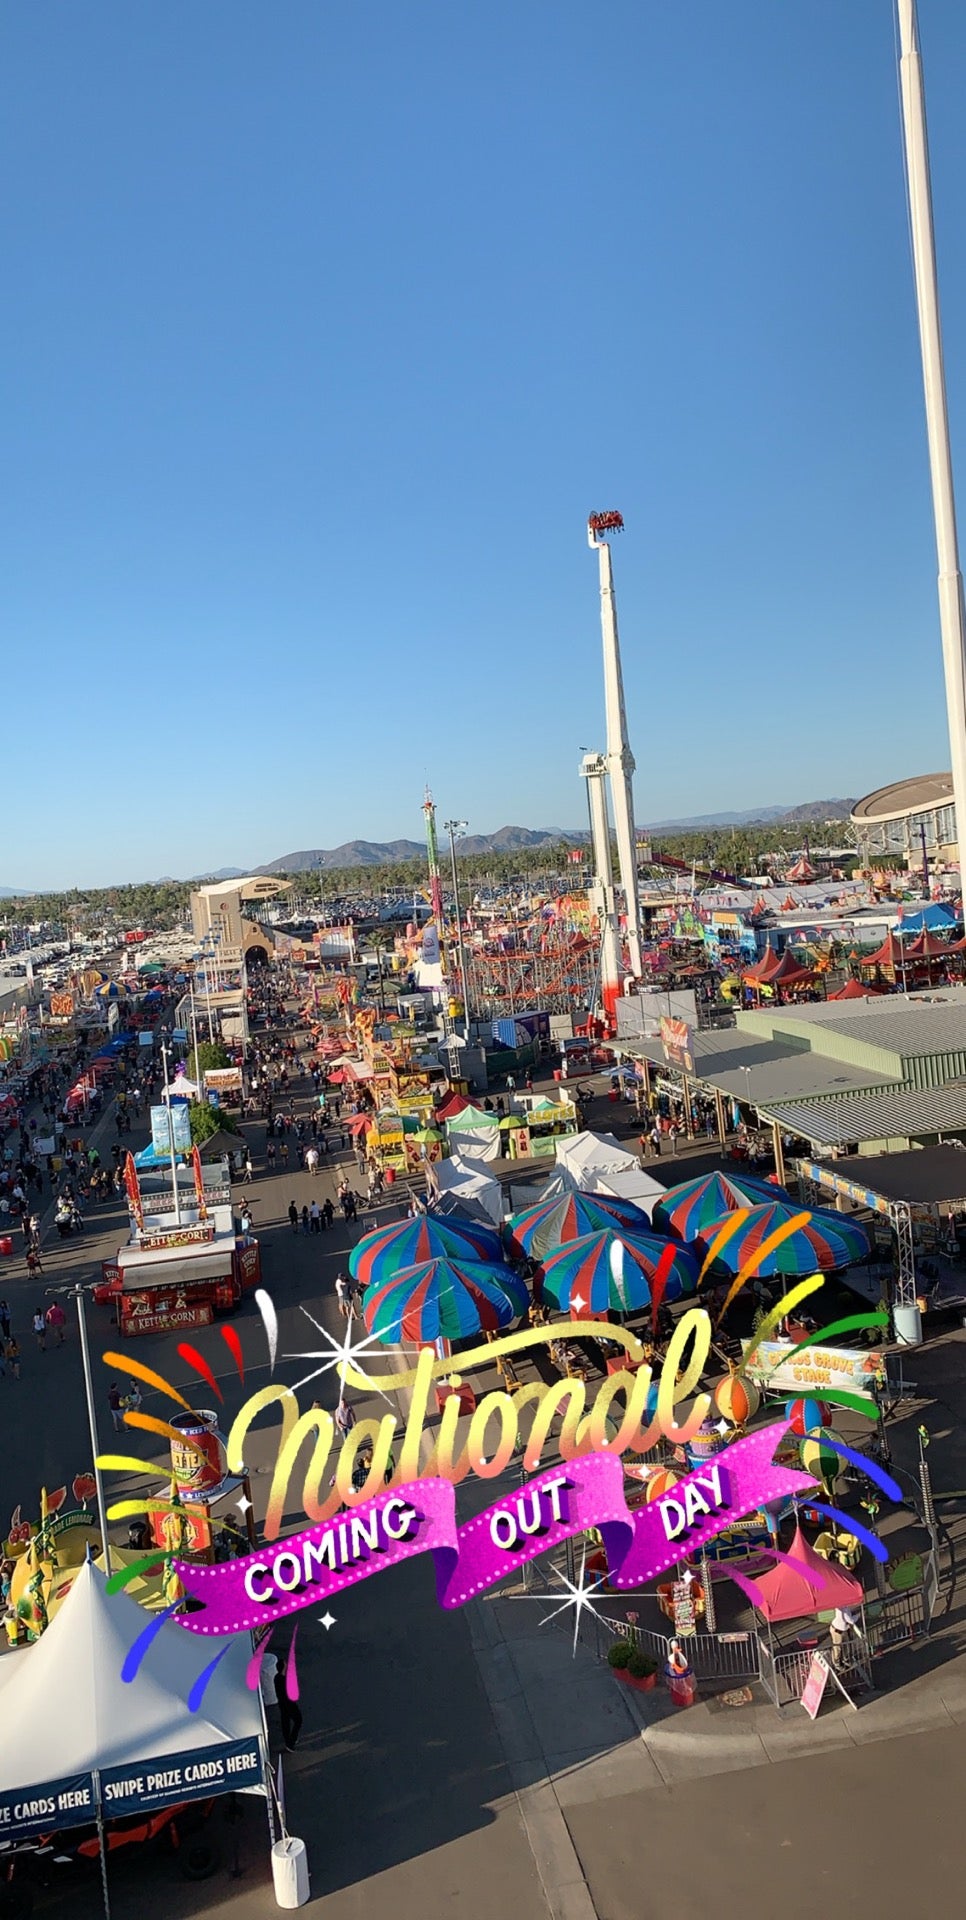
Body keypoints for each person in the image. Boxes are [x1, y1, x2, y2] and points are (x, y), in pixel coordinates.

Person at [274, 1655, 302, 1750]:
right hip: (289, 1704)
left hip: (282, 1704)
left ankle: (288, 1741)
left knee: (285, 1722)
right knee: (298, 1720)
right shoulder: (284, 1681)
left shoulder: (277, 1678)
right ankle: (291, 1741)